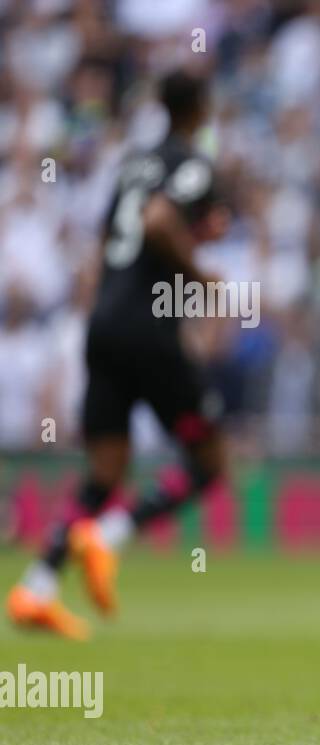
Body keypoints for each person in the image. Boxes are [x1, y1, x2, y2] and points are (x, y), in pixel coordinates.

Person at [7, 69, 230, 640]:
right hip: (148, 330)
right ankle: (109, 536)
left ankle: (37, 587)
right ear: (201, 107)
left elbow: (111, 243)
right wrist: (200, 275)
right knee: (209, 463)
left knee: (104, 472)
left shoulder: (132, 163)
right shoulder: (194, 163)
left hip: (102, 323)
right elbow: (158, 222)